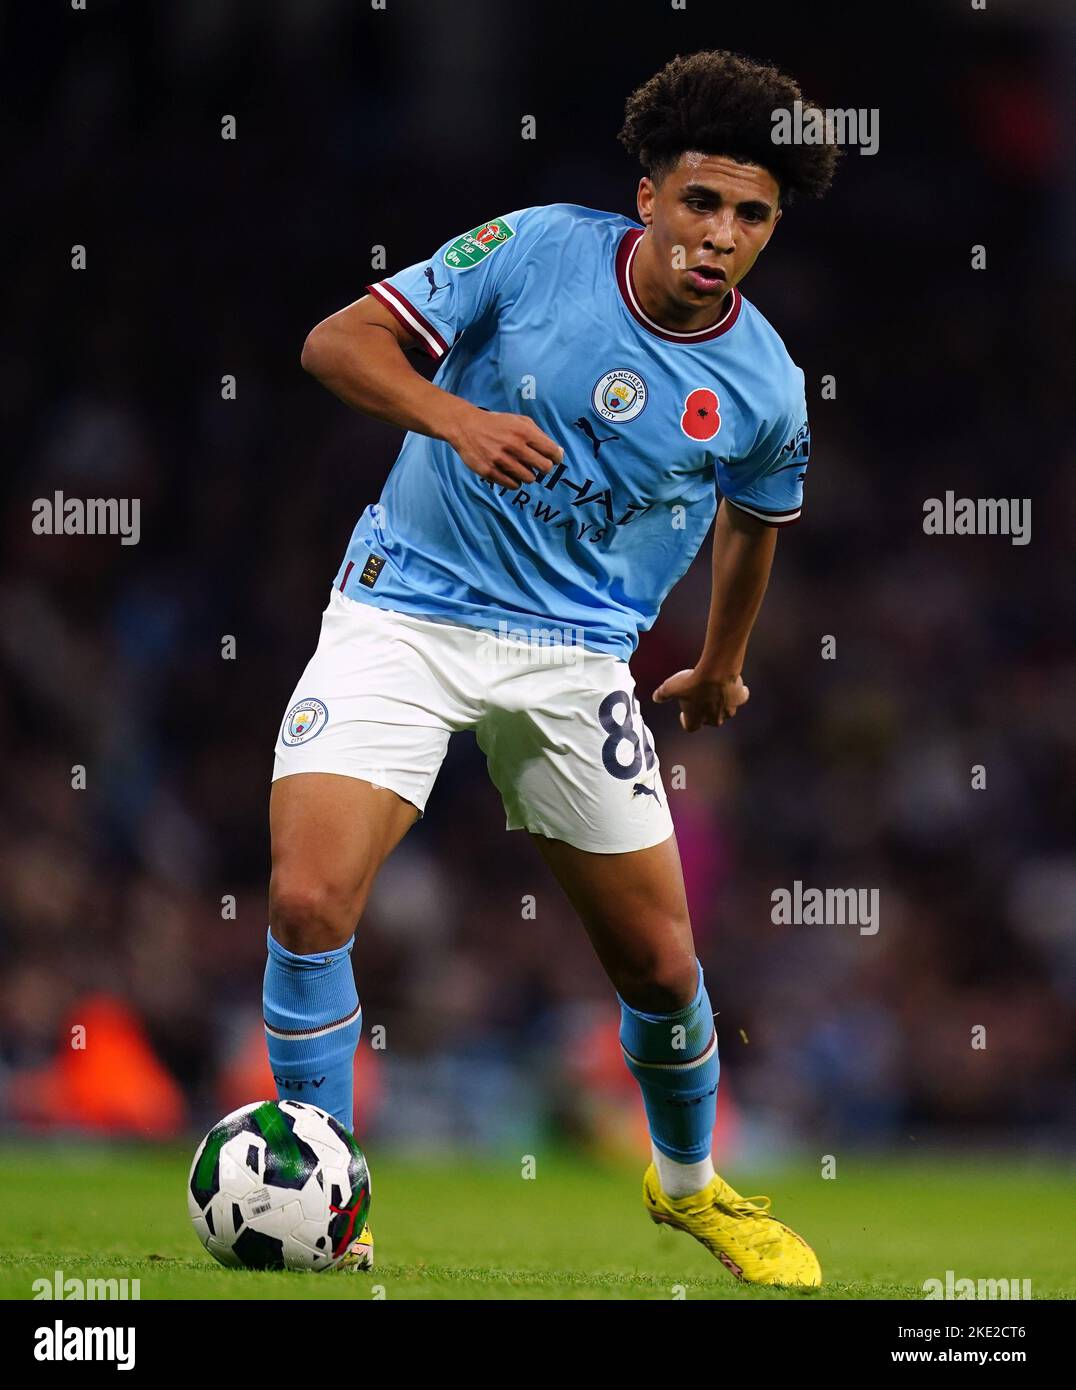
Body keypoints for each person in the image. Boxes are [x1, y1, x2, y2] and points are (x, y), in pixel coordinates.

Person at [264, 48, 837, 1285]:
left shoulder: (768, 386)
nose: (721, 233)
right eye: (701, 202)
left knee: (664, 968)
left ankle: (690, 1188)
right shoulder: (532, 250)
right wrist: (456, 417)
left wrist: (722, 666)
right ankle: (325, 1195)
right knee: (311, 903)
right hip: (404, 610)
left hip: (576, 660)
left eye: (751, 214)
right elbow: (332, 345)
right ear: (649, 198)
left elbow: (755, 524)